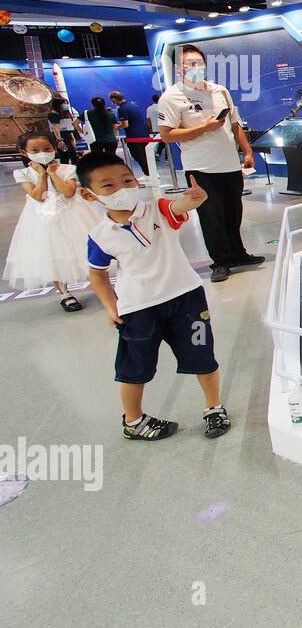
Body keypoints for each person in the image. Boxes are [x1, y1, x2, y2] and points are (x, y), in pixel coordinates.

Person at [76, 151, 231, 441]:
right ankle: (133, 421)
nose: (122, 188)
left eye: (127, 179)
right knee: (134, 367)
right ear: (89, 195)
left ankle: (213, 407)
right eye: (108, 185)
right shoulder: (100, 235)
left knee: (203, 356)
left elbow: (179, 205)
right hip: (138, 308)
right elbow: (97, 274)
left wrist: (194, 199)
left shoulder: (157, 209)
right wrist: (111, 307)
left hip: (187, 299)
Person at [156, 45, 263, 283]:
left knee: (233, 213)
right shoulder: (172, 97)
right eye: (189, 64)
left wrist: (247, 151)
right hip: (201, 168)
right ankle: (220, 261)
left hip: (230, 165)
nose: (196, 68)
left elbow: (235, 125)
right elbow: (167, 134)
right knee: (211, 217)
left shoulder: (219, 91)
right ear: (178, 68)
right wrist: (205, 127)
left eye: (199, 63)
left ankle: (238, 254)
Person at [3, 131, 101, 311]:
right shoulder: (23, 173)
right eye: (35, 149)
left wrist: (52, 173)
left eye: (47, 148)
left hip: (73, 215)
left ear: (54, 148)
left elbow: (68, 192)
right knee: (52, 254)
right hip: (41, 220)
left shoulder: (68, 169)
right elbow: (37, 196)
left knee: (87, 249)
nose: (42, 152)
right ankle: (64, 293)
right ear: (24, 152)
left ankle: (102, 287)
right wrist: (42, 175)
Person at [110, 90, 151, 177]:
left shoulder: (122, 109)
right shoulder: (133, 105)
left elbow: (125, 124)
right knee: (146, 157)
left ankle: (149, 175)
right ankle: (152, 174)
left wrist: (117, 127)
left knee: (140, 157)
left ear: (114, 100)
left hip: (134, 137)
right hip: (144, 134)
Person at [47, 95, 82, 163]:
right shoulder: (53, 115)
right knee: (64, 155)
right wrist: (60, 140)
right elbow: (55, 128)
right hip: (61, 137)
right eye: (64, 104)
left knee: (73, 154)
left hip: (68, 135)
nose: (66, 105)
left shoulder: (63, 113)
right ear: (58, 105)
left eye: (66, 103)